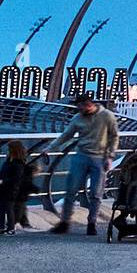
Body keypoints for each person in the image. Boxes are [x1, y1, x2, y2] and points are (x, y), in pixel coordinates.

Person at [48, 93, 120, 235]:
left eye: (80, 106)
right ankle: (65, 222)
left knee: (96, 192)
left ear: (88, 104)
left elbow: (114, 136)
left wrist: (110, 156)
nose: (78, 109)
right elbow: (66, 135)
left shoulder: (107, 116)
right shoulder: (77, 118)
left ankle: (92, 222)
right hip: (81, 155)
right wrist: (49, 148)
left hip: (99, 157)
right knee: (71, 189)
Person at [0, 139, 30, 235]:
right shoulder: (10, 161)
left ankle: (10, 227)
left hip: (10, 189)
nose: (7, 151)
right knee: (1, 208)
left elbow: (16, 178)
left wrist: (3, 181)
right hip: (4, 188)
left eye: (9, 150)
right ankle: (1, 227)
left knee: (8, 208)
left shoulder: (17, 164)